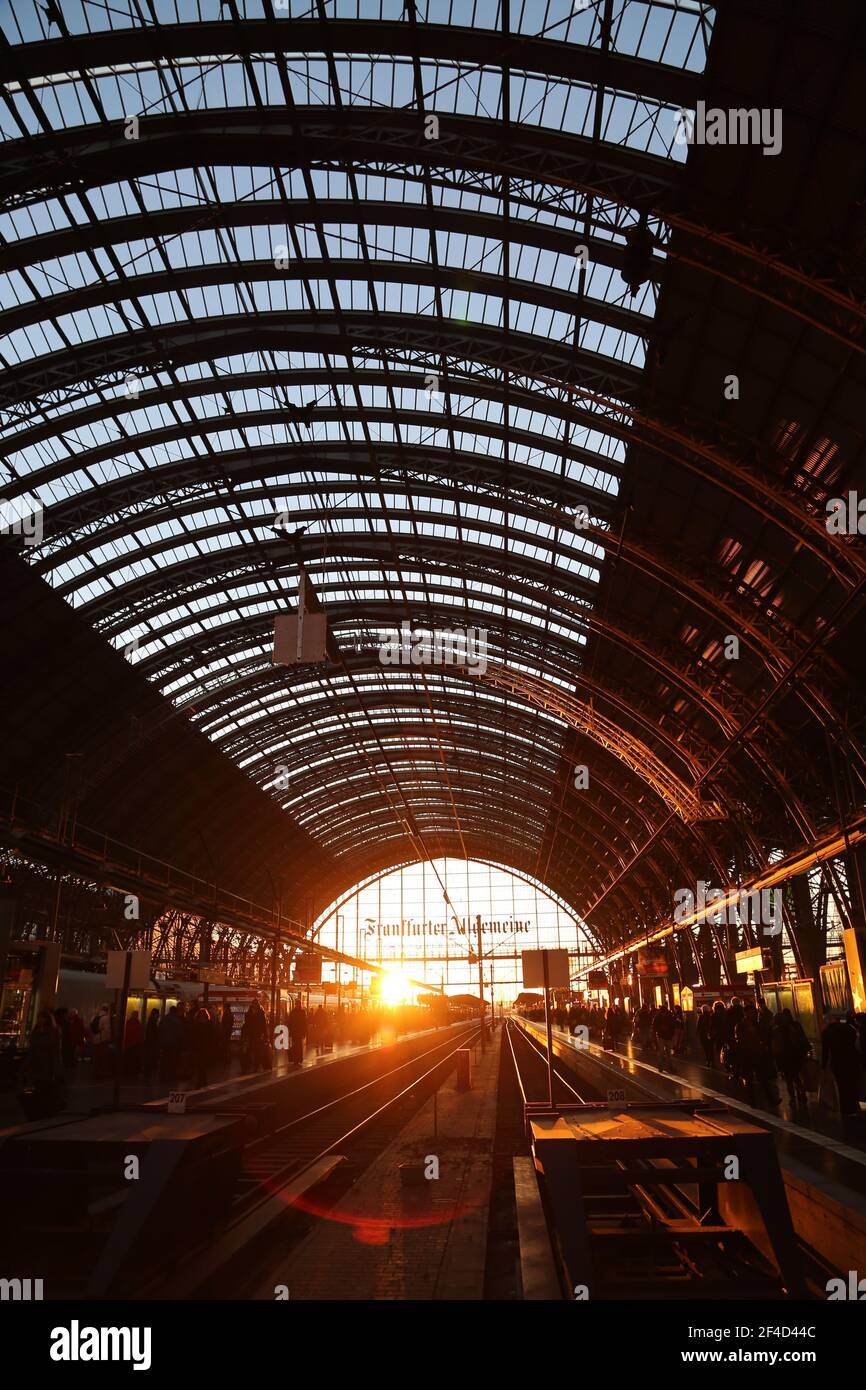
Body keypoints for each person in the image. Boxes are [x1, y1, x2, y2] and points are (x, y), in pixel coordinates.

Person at [24, 1010, 65, 1116]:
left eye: (42, 1018)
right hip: (37, 1062)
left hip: (47, 1062)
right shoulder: (36, 1031)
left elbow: (54, 1050)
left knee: (45, 1085)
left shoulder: (52, 1032)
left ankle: (46, 1107)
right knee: (38, 1084)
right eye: (38, 1018)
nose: (39, 1020)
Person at [821, 1012, 861, 1115]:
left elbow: (825, 1051)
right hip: (852, 1060)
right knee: (852, 1083)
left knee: (842, 1085)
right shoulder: (849, 1029)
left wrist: (823, 1066)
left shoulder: (827, 1033)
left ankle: (845, 1108)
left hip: (838, 1062)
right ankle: (855, 1106)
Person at [771, 1008, 810, 1108]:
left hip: (785, 1058)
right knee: (796, 1076)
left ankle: (793, 1098)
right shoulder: (794, 1026)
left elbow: (776, 1048)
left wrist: (777, 1063)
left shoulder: (776, 1031)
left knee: (789, 1079)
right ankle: (802, 1093)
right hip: (795, 1056)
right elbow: (802, 1038)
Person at [159, 1005, 184, 1088]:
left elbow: (160, 1029)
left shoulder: (164, 1019)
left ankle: (162, 1076)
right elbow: (180, 1033)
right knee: (172, 1060)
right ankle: (170, 1076)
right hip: (174, 1043)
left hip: (164, 1043)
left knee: (164, 1060)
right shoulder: (177, 1020)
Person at [191, 1006, 212, 1089]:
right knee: (202, 1064)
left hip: (200, 1047)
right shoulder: (208, 1024)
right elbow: (213, 1035)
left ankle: (201, 1081)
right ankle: (203, 1080)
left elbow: (193, 1036)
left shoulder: (196, 1024)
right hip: (203, 1047)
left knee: (200, 1064)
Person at [652, 1002, 676, 1072]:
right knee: (667, 1052)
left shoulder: (657, 1016)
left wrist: (659, 1030)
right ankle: (668, 1066)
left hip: (662, 1036)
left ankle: (662, 1066)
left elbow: (654, 1027)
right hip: (665, 1036)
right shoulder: (669, 1016)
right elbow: (673, 1026)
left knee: (663, 1052)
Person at [123, 1009, 143, 1079]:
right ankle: (132, 1074)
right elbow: (139, 1035)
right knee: (133, 1061)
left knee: (128, 1060)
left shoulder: (128, 1023)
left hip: (128, 1044)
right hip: (134, 1044)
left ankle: (127, 1073)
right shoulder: (138, 1024)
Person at [143, 1007, 160, 1082]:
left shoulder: (150, 1021)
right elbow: (153, 1033)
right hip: (151, 1043)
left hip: (149, 1043)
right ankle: (147, 1074)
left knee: (148, 1059)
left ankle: (147, 1073)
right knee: (149, 1059)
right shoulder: (153, 1022)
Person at [289, 999, 307, 1067]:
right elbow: (290, 1023)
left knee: (298, 1046)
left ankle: (298, 1059)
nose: (297, 1005)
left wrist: (304, 1032)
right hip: (295, 1032)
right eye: (296, 1004)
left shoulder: (295, 1012)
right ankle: (296, 1059)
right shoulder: (301, 1012)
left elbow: (304, 1023)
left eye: (298, 1004)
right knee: (296, 1046)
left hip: (298, 1032)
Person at [220, 1002, 234, 1067]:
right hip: (229, 1031)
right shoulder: (231, 1013)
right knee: (228, 1045)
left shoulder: (226, 1013)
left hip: (226, 1032)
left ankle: (226, 1059)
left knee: (226, 1046)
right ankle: (229, 1059)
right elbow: (232, 1022)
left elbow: (223, 1023)